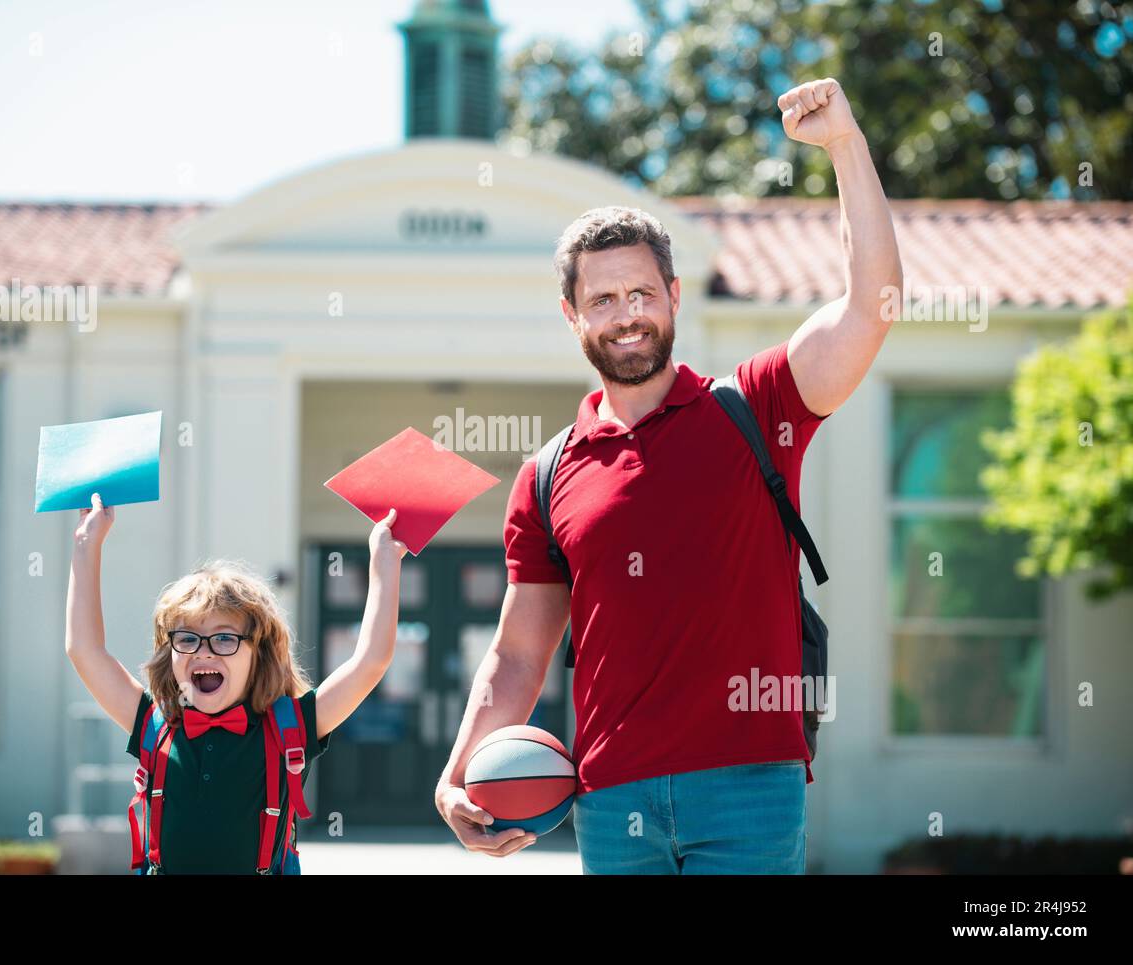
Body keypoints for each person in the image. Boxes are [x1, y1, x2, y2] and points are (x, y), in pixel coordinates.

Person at [435, 78, 902, 873]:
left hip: (751, 788)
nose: (626, 314)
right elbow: (517, 653)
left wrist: (845, 147)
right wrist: (458, 773)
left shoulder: (755, 405)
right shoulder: (547, 473)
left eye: (642, 293)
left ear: (675, 297)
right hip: (612, 799)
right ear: (573, 316)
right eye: (604, 298)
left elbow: (872, 305)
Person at [65, 493, 406, 874]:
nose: (204, 652)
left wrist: (384, 562)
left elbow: (371, 661)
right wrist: (86, 544)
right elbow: (84, 650)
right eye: (187, 638)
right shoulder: (152, 724)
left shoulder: (290, 727)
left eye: (225, 638)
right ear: (169, 652)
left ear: (257, 654)